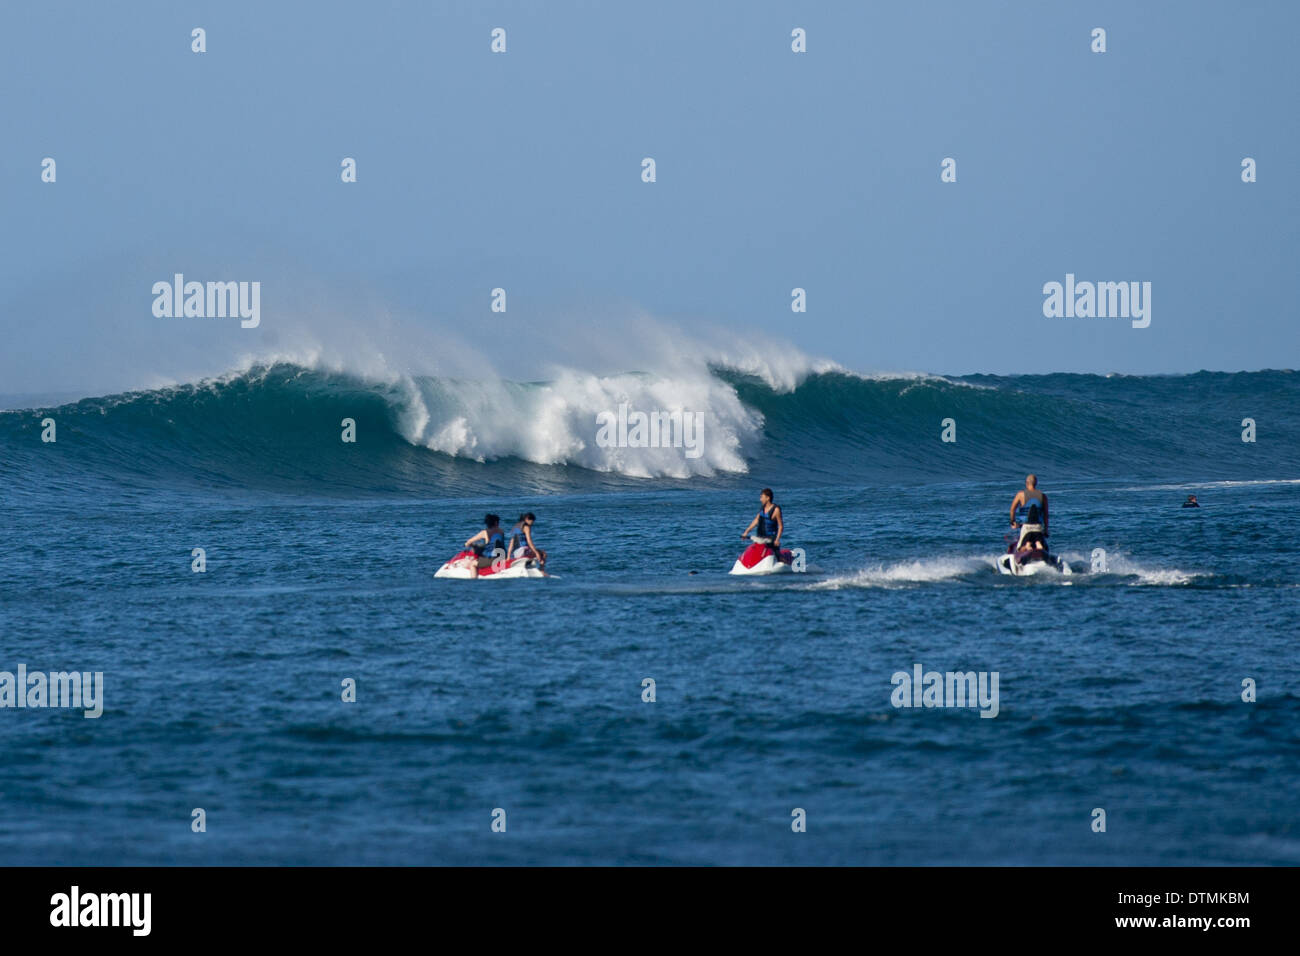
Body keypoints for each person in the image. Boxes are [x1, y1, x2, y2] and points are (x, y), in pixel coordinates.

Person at [1009, 474, 1049, 551]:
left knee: (1019, 549)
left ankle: (1027, 546)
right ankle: (1038, 544)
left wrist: (1012, 522)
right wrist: (1046, 529)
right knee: (1043, 545)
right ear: (1036, 483)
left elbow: (1012, 509)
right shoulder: (1043, 496)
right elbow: (1046, 515)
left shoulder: (1020, 494)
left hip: (1026, 527)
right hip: (1038, 527)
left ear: (1026, 483)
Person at [741, 488, 784, 553]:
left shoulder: (776, 510)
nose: (760, 499)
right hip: (760, 538)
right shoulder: (762, 508)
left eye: (762, 497)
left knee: (777, 557)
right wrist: (746, 532)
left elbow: (780, 526)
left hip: (771, 539)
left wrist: (777, 540)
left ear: (768, 498)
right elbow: (756, 520)